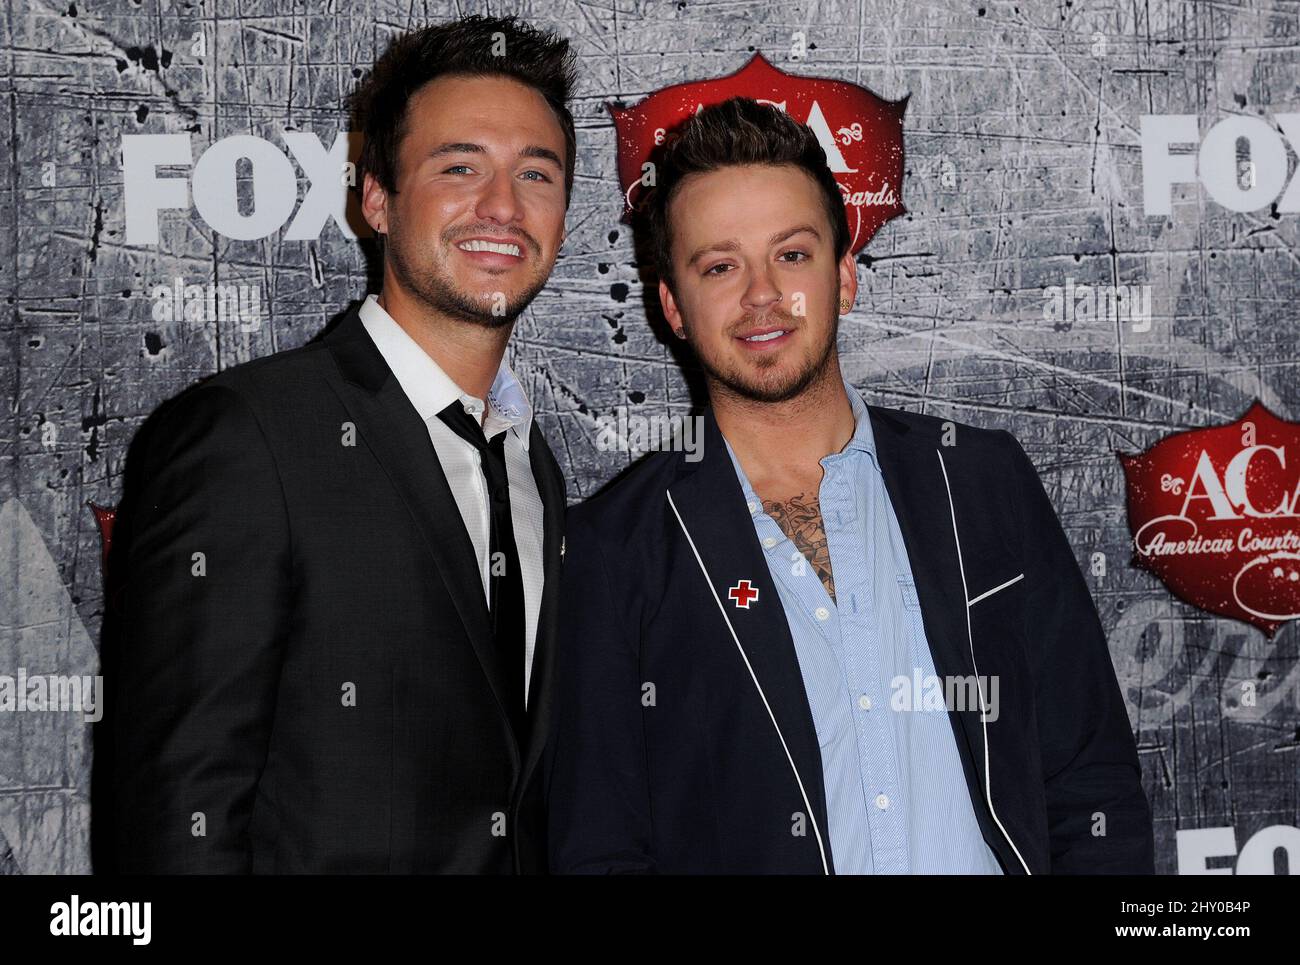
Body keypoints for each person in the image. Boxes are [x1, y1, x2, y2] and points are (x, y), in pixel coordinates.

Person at [546, 97, 1154, 874]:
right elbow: (600, 850)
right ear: (672, 305)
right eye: (720, 266)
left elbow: (1090, 781)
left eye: (792, 255)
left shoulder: (980, 480)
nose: (762, 293)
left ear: (845, 276)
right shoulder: (613, 550)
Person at [109, 14, 576, 873]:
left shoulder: (533, 467)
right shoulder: (247, 437)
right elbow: (179, 816)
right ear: (375, 198)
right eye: (460, 167)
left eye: (535, 174)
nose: (503, 206)